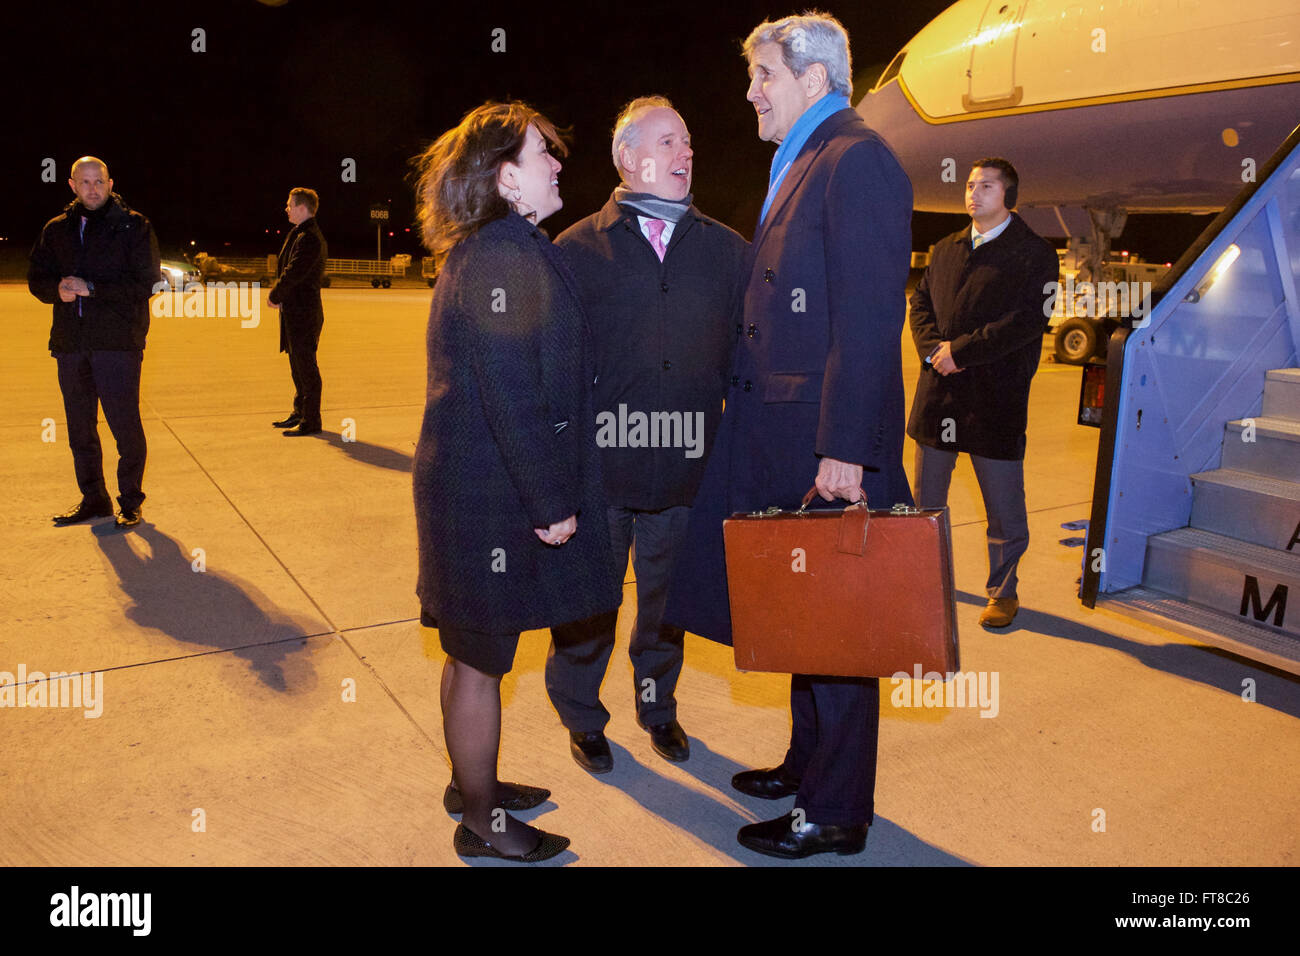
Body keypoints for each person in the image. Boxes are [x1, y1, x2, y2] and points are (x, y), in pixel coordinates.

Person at [665, 13, 913, 859]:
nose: (750, 92)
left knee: (839, 631)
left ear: (812, 77)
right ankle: (808, 765)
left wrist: (847, 448)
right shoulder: (805, 159)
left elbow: (873, 320)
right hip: (780, 433)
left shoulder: (856, 159)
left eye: (762, 75)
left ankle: (835, 812)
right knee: (806, 617)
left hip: (822, 444)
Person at [411, 101, 621, 863]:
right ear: (506, 176)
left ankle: (473, 786)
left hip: (478, 483)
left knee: (473, 651)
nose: (558, 165)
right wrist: (551, 503)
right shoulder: (501, 254)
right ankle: (482, 823)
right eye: (544, 155)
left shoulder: (504, 246)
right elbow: (510, 388)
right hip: (488, 492)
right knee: (479, 657)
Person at [546, 96, 747, 773]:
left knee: (666, 609)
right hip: (601, 472)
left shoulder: (725, 252)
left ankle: (658, 709)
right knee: (590, 606)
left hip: (687, 470)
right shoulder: (575, 251)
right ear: (630, 160)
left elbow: (743, 365)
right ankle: (582, 716)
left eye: (687, 142)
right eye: (667, 142)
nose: (684, 153)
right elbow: (553, 371)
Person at [908, 159, 1059, 629]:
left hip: (995, 399)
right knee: (926, 502)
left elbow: (1031, 320)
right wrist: (935, 350)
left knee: (1003, 507)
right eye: (970, 185)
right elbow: (921, 303)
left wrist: (963, 352)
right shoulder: (946, 247)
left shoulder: (1035, 254)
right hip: (940, 394)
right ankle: (926, 580)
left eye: (986, 186)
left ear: (1008, 195)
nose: (974, 193)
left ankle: (1003, 591)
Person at [28, 156, 160, 529]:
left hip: (117, 344)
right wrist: (55, 290)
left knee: (124, 425)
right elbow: (36, 277)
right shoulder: (56, 230)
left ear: (110, 183)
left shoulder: (134, 226)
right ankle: (94, 498)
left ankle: (130, 501)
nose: (92, 188)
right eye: (84, 182)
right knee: (80, 428)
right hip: (70, 344)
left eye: (98, 181)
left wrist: (93, 289)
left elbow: (147, 283)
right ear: (72, 185)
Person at [267, 187, 327, 436]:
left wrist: (275, 294)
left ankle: (311, 420)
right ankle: (300, 412)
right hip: (294, 312)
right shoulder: (299, 233)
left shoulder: (310, 238)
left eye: (290, 205)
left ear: (302, 208)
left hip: (304, 313)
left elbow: (294, 272)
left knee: (306, 367)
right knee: (296, 365)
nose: (287, 208)